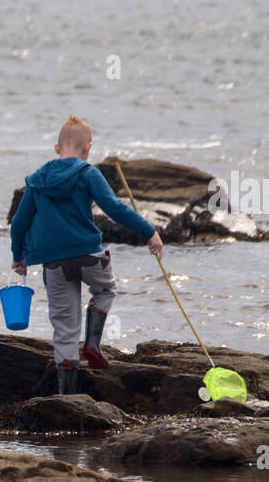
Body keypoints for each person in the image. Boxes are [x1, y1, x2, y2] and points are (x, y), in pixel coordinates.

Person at [9, 115, 164, 394]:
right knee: (105, 290)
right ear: (88, 147)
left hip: (54, 264)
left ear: (57, 148)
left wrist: (18, 256)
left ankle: (66, 397)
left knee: (65, 327)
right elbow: (114, 209)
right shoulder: (88, 173)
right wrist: (149, 232)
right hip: (89, 256)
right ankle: (92, 343)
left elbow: (19, 223)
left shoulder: (37, 181)